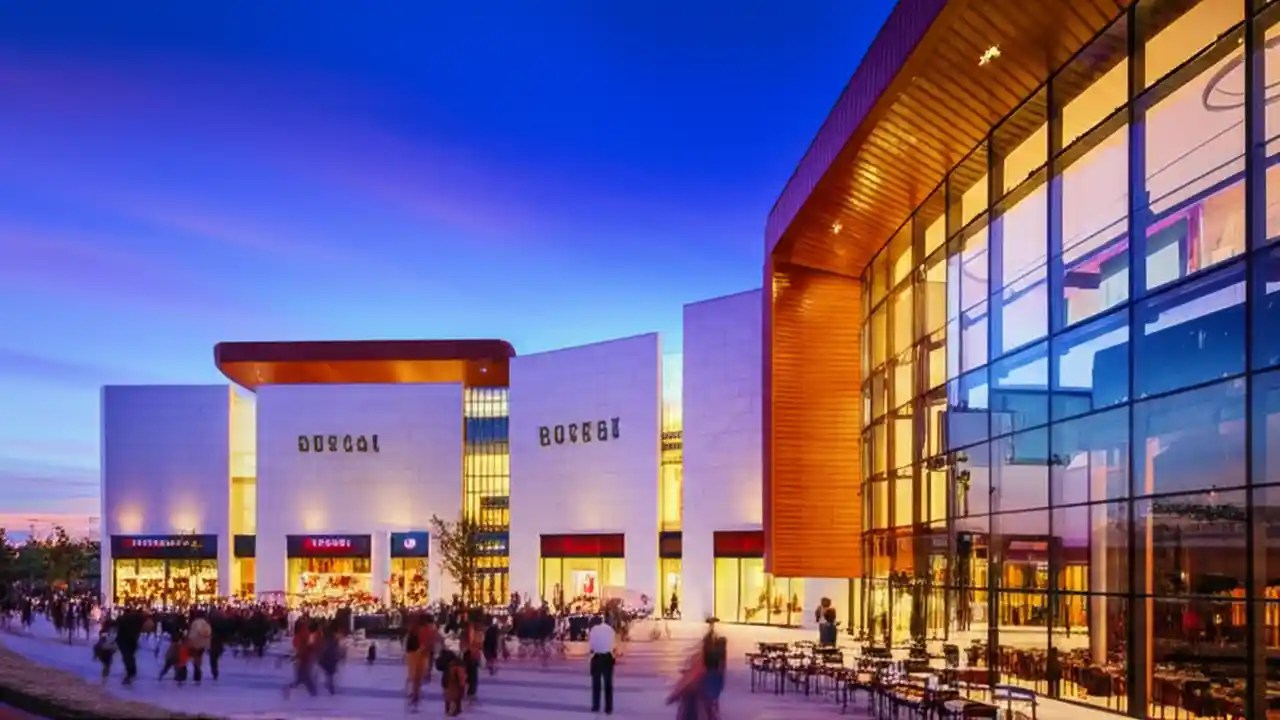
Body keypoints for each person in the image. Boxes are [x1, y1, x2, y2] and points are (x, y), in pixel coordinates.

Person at [587, 615, 615, 714]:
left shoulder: (593, 630)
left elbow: (592, 645)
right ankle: (609, 707)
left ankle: (596, 706)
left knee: (596, 683)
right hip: (608, 657)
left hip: (597, 657)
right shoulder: (610, 629)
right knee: (608, 683)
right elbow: (613, 644)